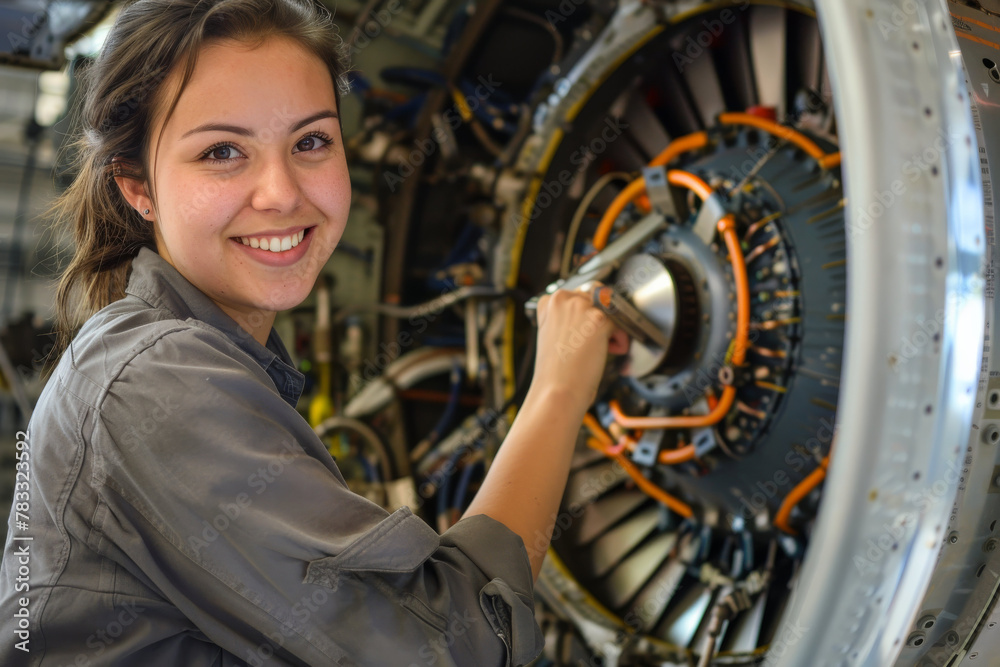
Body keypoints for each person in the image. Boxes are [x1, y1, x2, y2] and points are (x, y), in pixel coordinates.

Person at [0, 0, 627, 665]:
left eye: (311, 142)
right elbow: (454, 647)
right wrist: (558, 388)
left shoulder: (178, 360)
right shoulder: (152, 381)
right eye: (222, 151)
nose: (281, 192)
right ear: (138, 188)